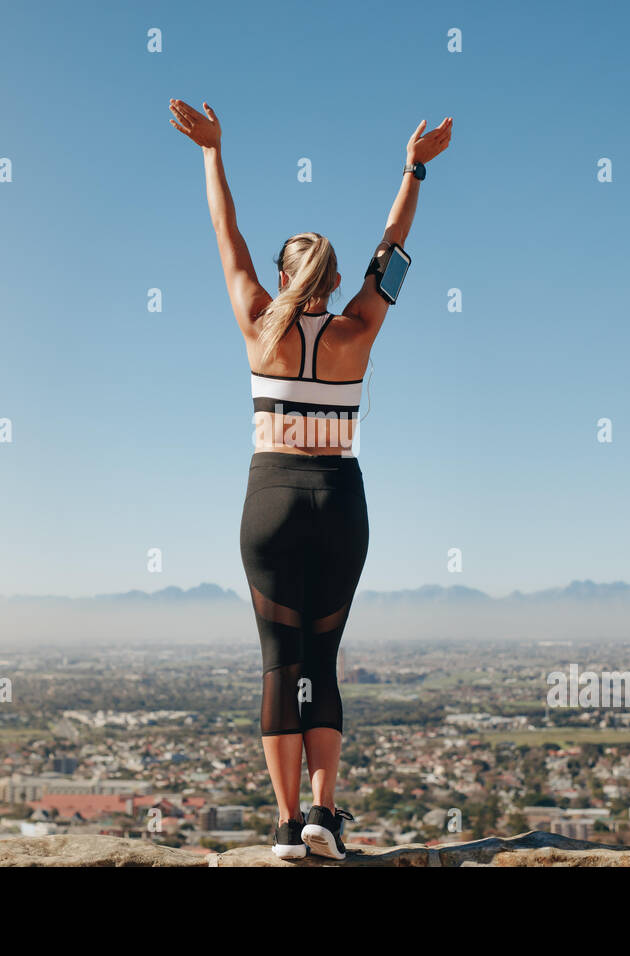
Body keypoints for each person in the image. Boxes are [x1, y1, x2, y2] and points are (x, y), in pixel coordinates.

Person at [168, 98, 452, 859]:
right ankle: (327, 816)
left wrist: (212, 154)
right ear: (331, 277)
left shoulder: (260, 322)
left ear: (285, 275)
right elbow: (391, 249)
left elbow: (225, 237)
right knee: (322, 664)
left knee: (277, 662)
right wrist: (414, 169)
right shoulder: (358, 331)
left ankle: (287, 828)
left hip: (270, 503)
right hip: (340, 500)